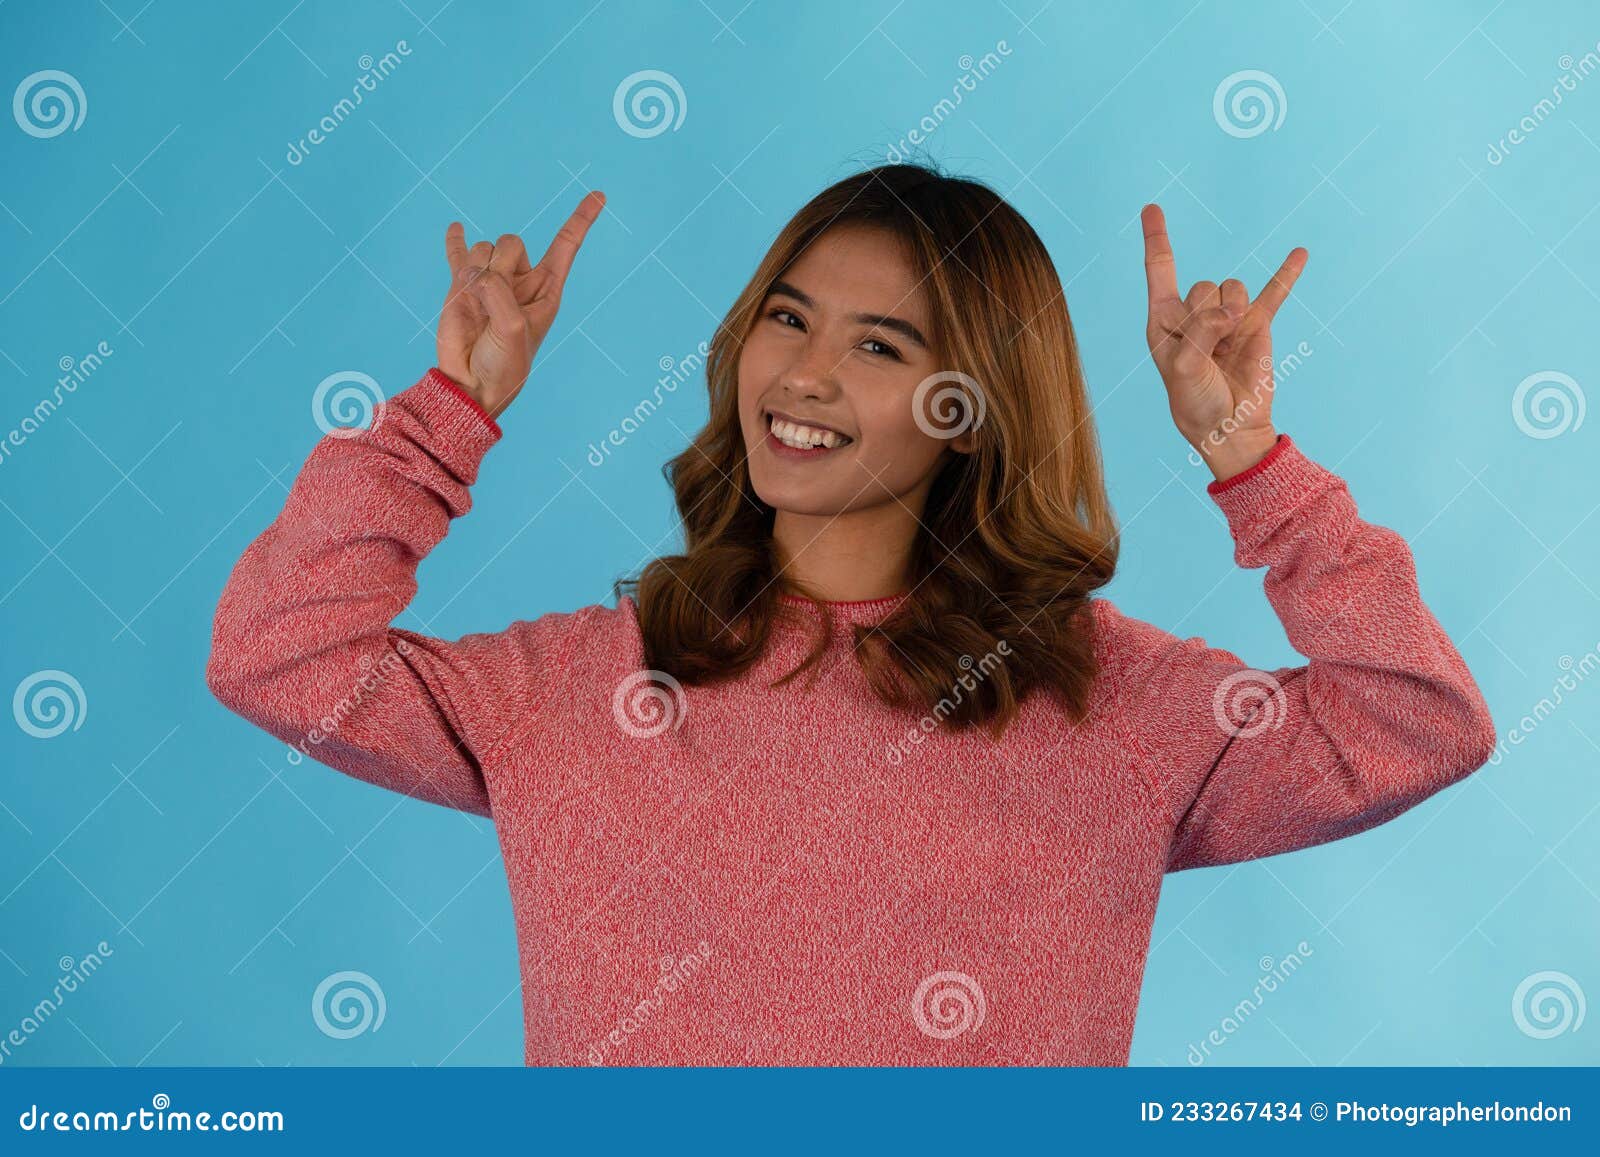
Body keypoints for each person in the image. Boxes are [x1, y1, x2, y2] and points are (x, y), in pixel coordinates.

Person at [205, 162, 1497, 1065]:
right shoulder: (582, 684)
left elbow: (1418, 720)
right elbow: (279, 651)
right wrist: (449, 409)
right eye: (787, 317)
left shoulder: (1108, 700)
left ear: (973, 407)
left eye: (880, 345)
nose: (806, 374)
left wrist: (1253, 464)